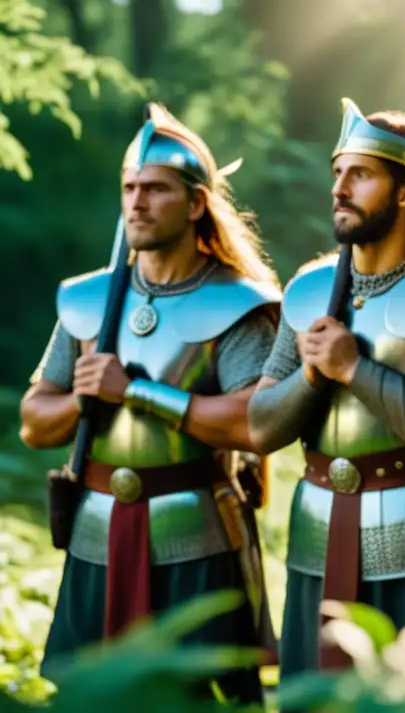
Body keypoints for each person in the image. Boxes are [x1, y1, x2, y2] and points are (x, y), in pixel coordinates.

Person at [20, 103, 282, 705]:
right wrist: (85, 397)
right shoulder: (89, 300)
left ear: (195, 204)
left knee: (200, 693)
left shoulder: (237, 304)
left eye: (155, 189)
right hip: (97, 526)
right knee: (89, 694)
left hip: (197, 532)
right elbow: (36, 423)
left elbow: (256, 422)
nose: (136, 202)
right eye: (129, 188)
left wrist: (137, 391)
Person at [248, 98, 405, 675]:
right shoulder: (309, 290)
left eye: (359, 174)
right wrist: (312, 374)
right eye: (338, 173)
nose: (339, 187)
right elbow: (258, 426)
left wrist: (354, 369)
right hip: (313, 532)